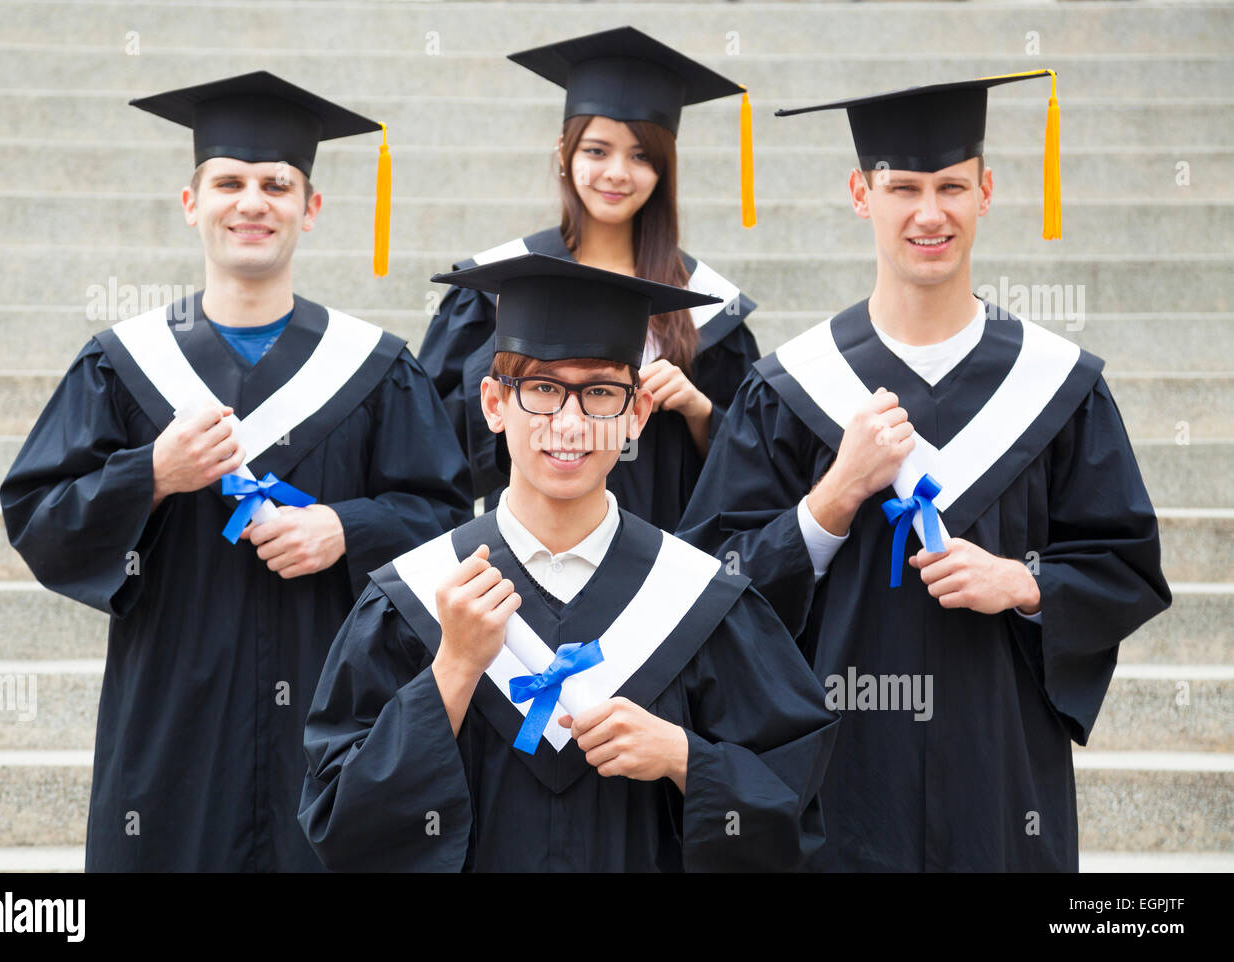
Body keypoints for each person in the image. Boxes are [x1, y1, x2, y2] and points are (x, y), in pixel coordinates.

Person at [677, 72, 1171, 871]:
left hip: (1000, 778)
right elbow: (710, 583)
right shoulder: (792, 389)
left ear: (986, 193)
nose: (929, 213)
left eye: (951, 187)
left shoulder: (1056, 386)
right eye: (903, 187)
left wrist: (1024, 582)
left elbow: (1126, 568)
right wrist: (833, 499)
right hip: (840, 779)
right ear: (861, 195)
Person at [0, 71, 472, 872]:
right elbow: (40, 519)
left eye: (276, 185)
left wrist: (346, 528)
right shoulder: (122, 365)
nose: (252, 202)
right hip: (171, 716)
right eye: (229, 183)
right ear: (192, 203)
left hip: (331, 703)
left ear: (309, 209)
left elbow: (449, 521)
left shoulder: (376, 368)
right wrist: (150, 474)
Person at [299, 253, 839, 871]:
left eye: (601, 393)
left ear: (637, 414)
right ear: (493, 404)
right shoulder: (416, 598)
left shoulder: (702, 600)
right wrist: (452, 670)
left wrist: (685, 759)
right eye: (542, 389)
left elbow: (793, 812)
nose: (571, 422)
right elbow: (341, 824)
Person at [418, 26, 760, 531]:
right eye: (597, 151)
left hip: (662, 550)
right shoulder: (499, 287)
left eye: (641, 155)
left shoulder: (708, 305)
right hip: (527, 545)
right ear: (565, 151)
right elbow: (433, 446)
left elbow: (760, 472)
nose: (618, 172)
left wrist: (700, 411)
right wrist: (513, 349)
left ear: (664, 168)